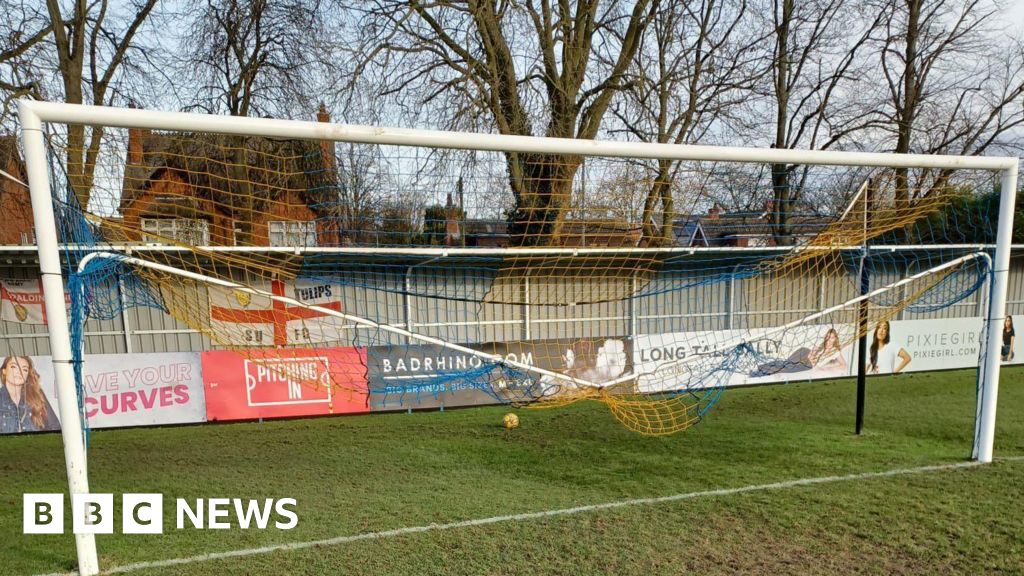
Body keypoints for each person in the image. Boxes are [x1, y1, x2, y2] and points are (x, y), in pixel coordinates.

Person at [752, 327, 848, 377]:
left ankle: (759, 371)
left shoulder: (835, 351)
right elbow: (814, 356)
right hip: (805, 353)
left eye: (831, 337)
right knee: (785, 364)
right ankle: (759, 370)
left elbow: (844, 365)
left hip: (809, 364)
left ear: (835, 339)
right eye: (827, 336)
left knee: (784, 366)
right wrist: (814, 353)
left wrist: (827, 369)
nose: (829, 339)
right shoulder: (822, 346)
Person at [0, 356, 59, 433]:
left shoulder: (36, 395)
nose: (19, 372)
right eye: (14, 367)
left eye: (24, 369)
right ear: (4, 371)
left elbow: (55, 427)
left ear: (27, 375)